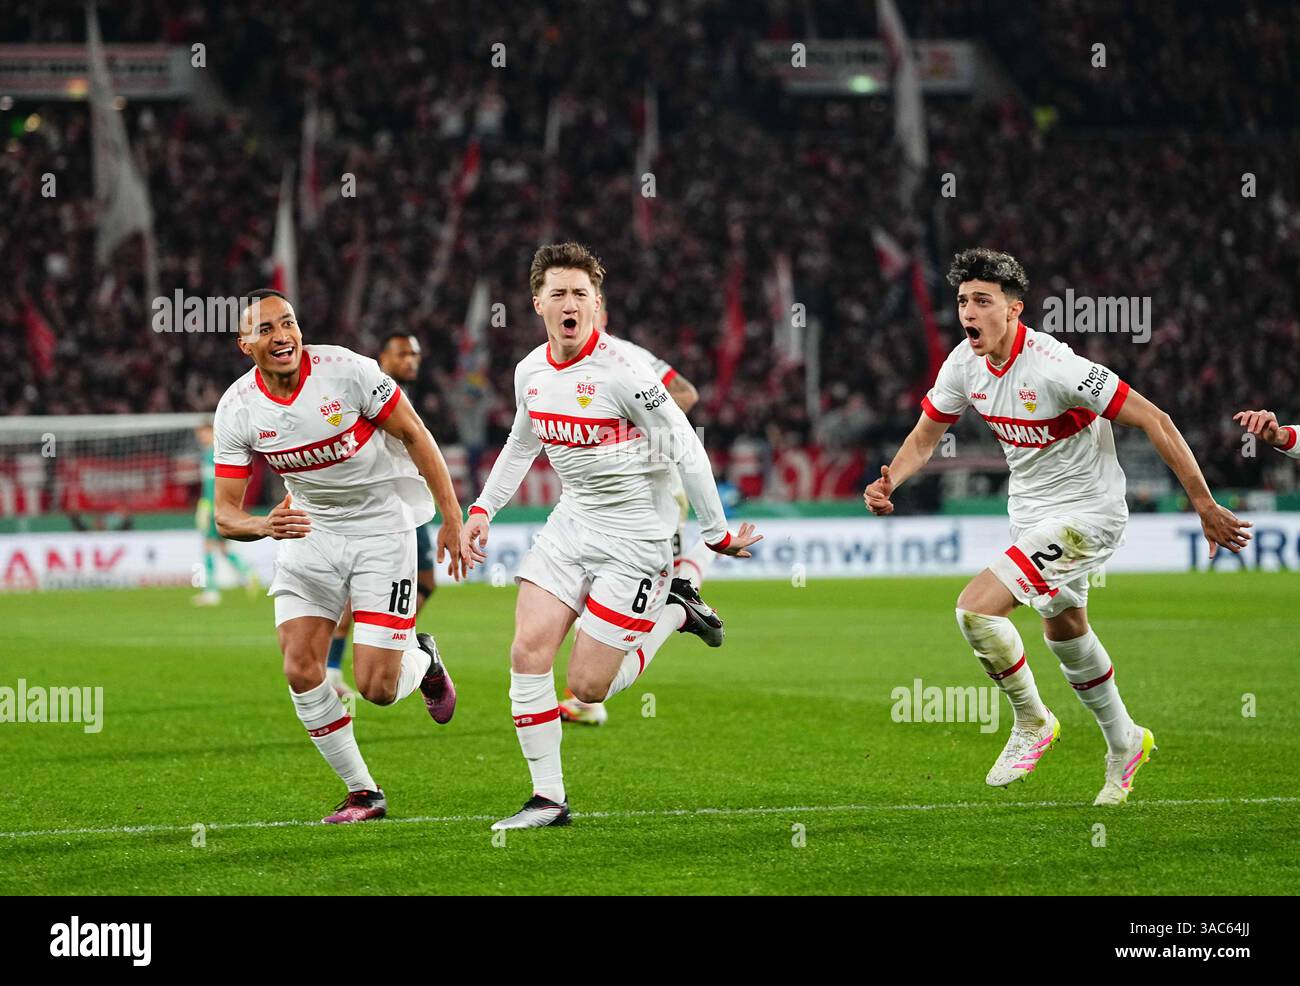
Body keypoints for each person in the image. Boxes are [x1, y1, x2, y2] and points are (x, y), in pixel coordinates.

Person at [864, 248, 1250, 806]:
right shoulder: (963, 365)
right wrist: (890, 481)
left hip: (1088, 514)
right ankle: (1125, 741)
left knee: (975, 609)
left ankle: (1032, 720)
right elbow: (927, 435)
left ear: (1014, 310)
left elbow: (1155, 419)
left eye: (982, 301)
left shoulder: (1056, 367)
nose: (968, 312)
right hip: (1030, 512)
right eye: (962, 301)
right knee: (1065, 629)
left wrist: (1204, 503)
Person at [461, 243, 762, 829]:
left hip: (634, 542)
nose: (569, 303)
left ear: (596, 304)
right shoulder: (530, 371)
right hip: (570, 527)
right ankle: (547, 799)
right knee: (526, 651)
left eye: (580, 294)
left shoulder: (627, 375)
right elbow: (522, 444)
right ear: (537, 303)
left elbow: (686, 448)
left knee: (587, 687)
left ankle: (676, 609)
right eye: (559, 293)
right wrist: (482, 509)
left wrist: (717, 533)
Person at [213, 289, 467, 823]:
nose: (282, 336)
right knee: (300, 667)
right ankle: (363, 792)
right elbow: (225, 515)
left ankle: (422, 662)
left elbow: (416, 434)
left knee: (375, 687)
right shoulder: (237, 409)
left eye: (288, 323)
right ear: (245, 345)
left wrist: (451, 516)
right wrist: (264, 525)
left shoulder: (348, 371)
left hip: (381, 531)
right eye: (266, 329)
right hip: (307, 531)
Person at [325, 333, 438, 698]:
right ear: (382, 358)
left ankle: (394, 639)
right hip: (377, 507)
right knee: (354, 597)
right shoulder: (370, 391)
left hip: (409, 501)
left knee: (426, 583)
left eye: (416, 354)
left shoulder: (411, 395)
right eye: (402, 354)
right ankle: (332, 669)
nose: (411, 360)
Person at [192, 420, 259, 605]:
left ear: (212, 431)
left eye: (204, 433)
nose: (201, 437)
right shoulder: (207, 453)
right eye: (199, 434)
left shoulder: (217, 453)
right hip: (211, 505)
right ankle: (248, 573)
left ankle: (211, 591)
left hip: (215, 507)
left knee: (208, 546)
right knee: (222, 548)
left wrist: (208, 506)